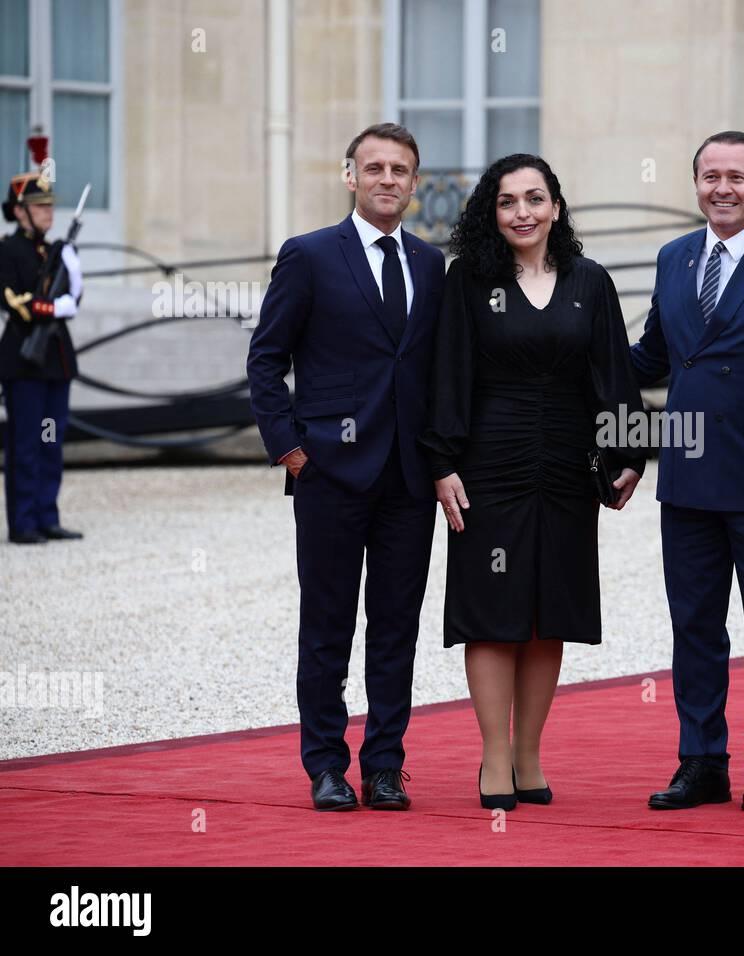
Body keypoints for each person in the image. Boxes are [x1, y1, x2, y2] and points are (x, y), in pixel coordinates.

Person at [421, 153, 646, 812]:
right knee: (493, 612)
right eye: (508, 201)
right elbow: (447, 373)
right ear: (491, 214)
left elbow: (613, 372)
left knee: (551, 611)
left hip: (569, 465)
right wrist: (441, 463)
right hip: (489, 463)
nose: (522, 212)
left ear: (556, 207)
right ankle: (494, 754)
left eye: (534, 198)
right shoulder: (469, 280)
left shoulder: (590, 281)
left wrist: (629, 453)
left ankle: (528, 754)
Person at [247, 123, 444, 812]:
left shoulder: (430, 264)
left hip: (408, 480)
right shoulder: (308, 255)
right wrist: (291, 450)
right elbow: (266, 360)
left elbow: (432, 368)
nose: (388, 179)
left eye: (400, 169)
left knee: (396, 628)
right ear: (350, 176)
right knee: (327, 627)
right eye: (375, 167)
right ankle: (326, 766)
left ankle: (385, 765)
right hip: (329, 475)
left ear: (414, 183)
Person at [629, 131, 744, 812]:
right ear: (696, 184)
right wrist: (570, 350)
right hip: (687, 476)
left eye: (737, 177)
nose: (722, 188)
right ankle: (701, 760)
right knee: (694, 627)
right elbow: (651, 357)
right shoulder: (674, 257)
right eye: (711, 176)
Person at [1, 131, 83, 545]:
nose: (48, 213)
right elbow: (15, 300)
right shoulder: (8, 251)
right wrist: (55, 307)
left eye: (50, 206)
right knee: (26, 443)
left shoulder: (54, 252)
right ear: (19, 211)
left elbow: (74, 297)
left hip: (55, 359)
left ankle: (47, 515)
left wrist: (72, 277)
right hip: (24, 359)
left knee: (51, 440)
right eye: (39, 207)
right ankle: (23, 522)